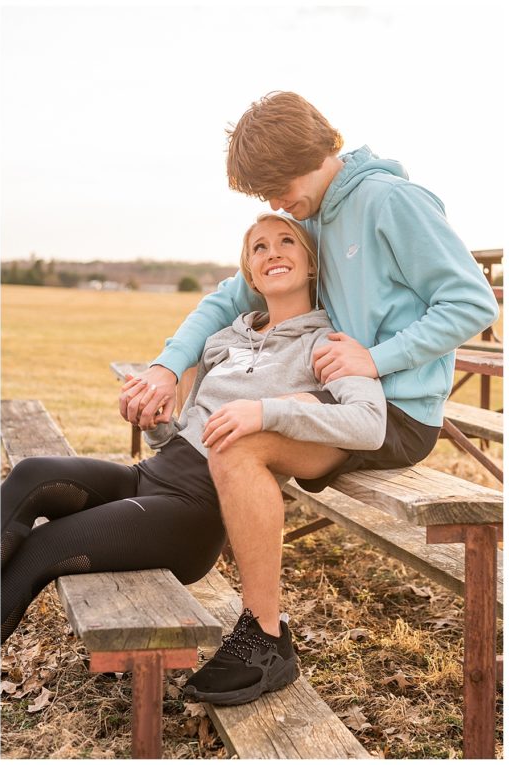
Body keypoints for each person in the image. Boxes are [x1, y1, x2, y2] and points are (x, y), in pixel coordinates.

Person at [119, 92, 499, 704]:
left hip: (393, 412)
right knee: (227, 428)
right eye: (263, 194)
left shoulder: (392, 201)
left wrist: (377, 358)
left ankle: (265, 637)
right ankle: (229, 592)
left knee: (238, 441)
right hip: (336, 396)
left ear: (317, 153)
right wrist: (168, 365)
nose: (274, 204)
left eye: (278, 185)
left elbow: (472, 303)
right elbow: (225, 299)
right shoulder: (315, 213)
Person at [2, 214, 387, 708]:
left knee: (44, 546)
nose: (273, 252)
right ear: (248, 272)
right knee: (33, 472)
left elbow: (369, 425)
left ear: (312, 265)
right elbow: (181, 433)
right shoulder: (227, 337)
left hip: (193, 512)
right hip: (149, 478)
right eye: (259, 247)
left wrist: (272, 410)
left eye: (287, 241)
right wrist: (157, 420)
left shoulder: (327, 344)